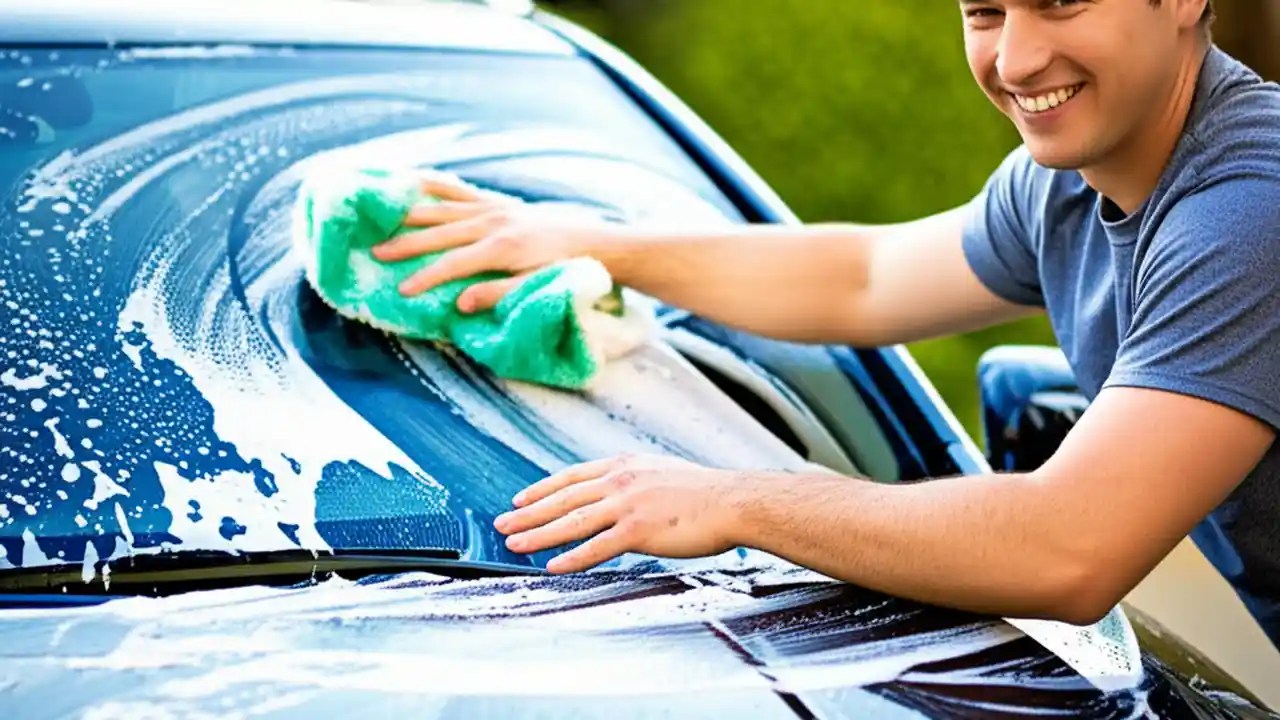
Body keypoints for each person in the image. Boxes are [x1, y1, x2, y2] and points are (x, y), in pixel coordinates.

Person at [373, 0, 1280, 643]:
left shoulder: (1246, 211)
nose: (1016, 62)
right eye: (986, 13)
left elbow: (1067, 549)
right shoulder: (1068, 184)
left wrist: (736, 498)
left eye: (1060, 3)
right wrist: (595, 244)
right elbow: (863, 278)